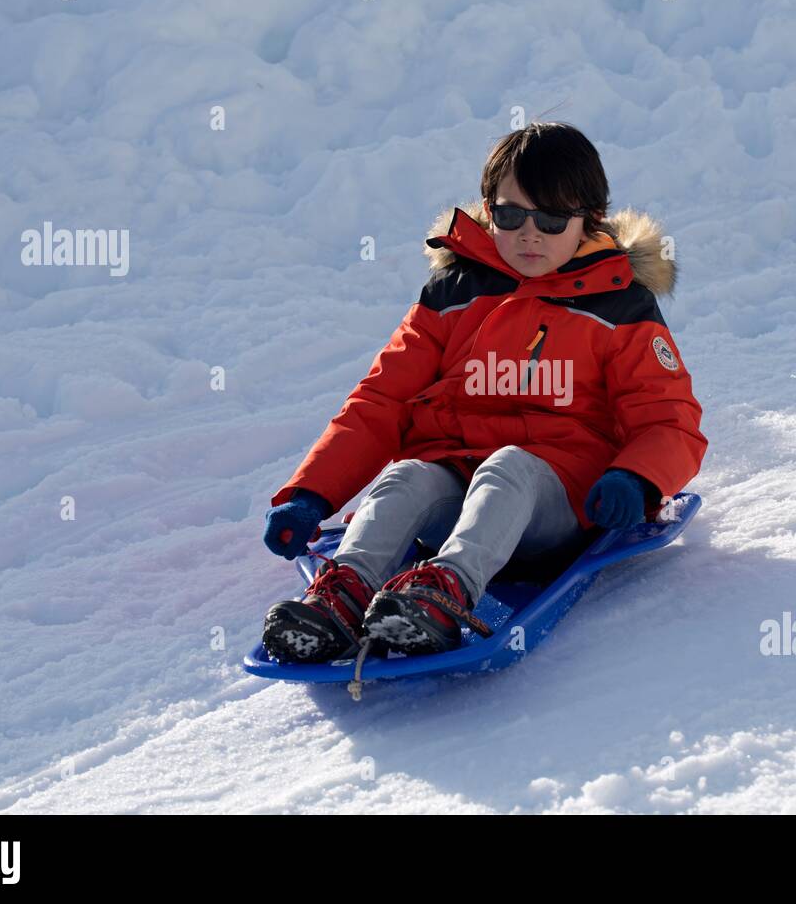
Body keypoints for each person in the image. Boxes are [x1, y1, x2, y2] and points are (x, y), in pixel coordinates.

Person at [260, 121, 707, 663]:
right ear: (488, 209)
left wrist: (636, 477)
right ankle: (342, 595)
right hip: (453, 495)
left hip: (558, 503)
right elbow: (381, 400)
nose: (529, 234)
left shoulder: (618, 307)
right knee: (407, 475)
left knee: (510, 467)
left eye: (550, 219)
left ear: (588, 221)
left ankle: (444, 595)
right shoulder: (453, 295)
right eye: (511, 215)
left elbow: (668, 418)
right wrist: (310, 494)